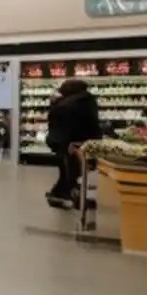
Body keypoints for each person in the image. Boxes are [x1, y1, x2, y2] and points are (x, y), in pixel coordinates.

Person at [45, 78, 101, 209]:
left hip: (61, 142)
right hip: (76, 143)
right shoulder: (85, 102)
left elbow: (55, 122)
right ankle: (72, 197)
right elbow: (90, 124)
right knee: (75, 172)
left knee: (68, 171)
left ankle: (61, 194)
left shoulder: (63, 103)